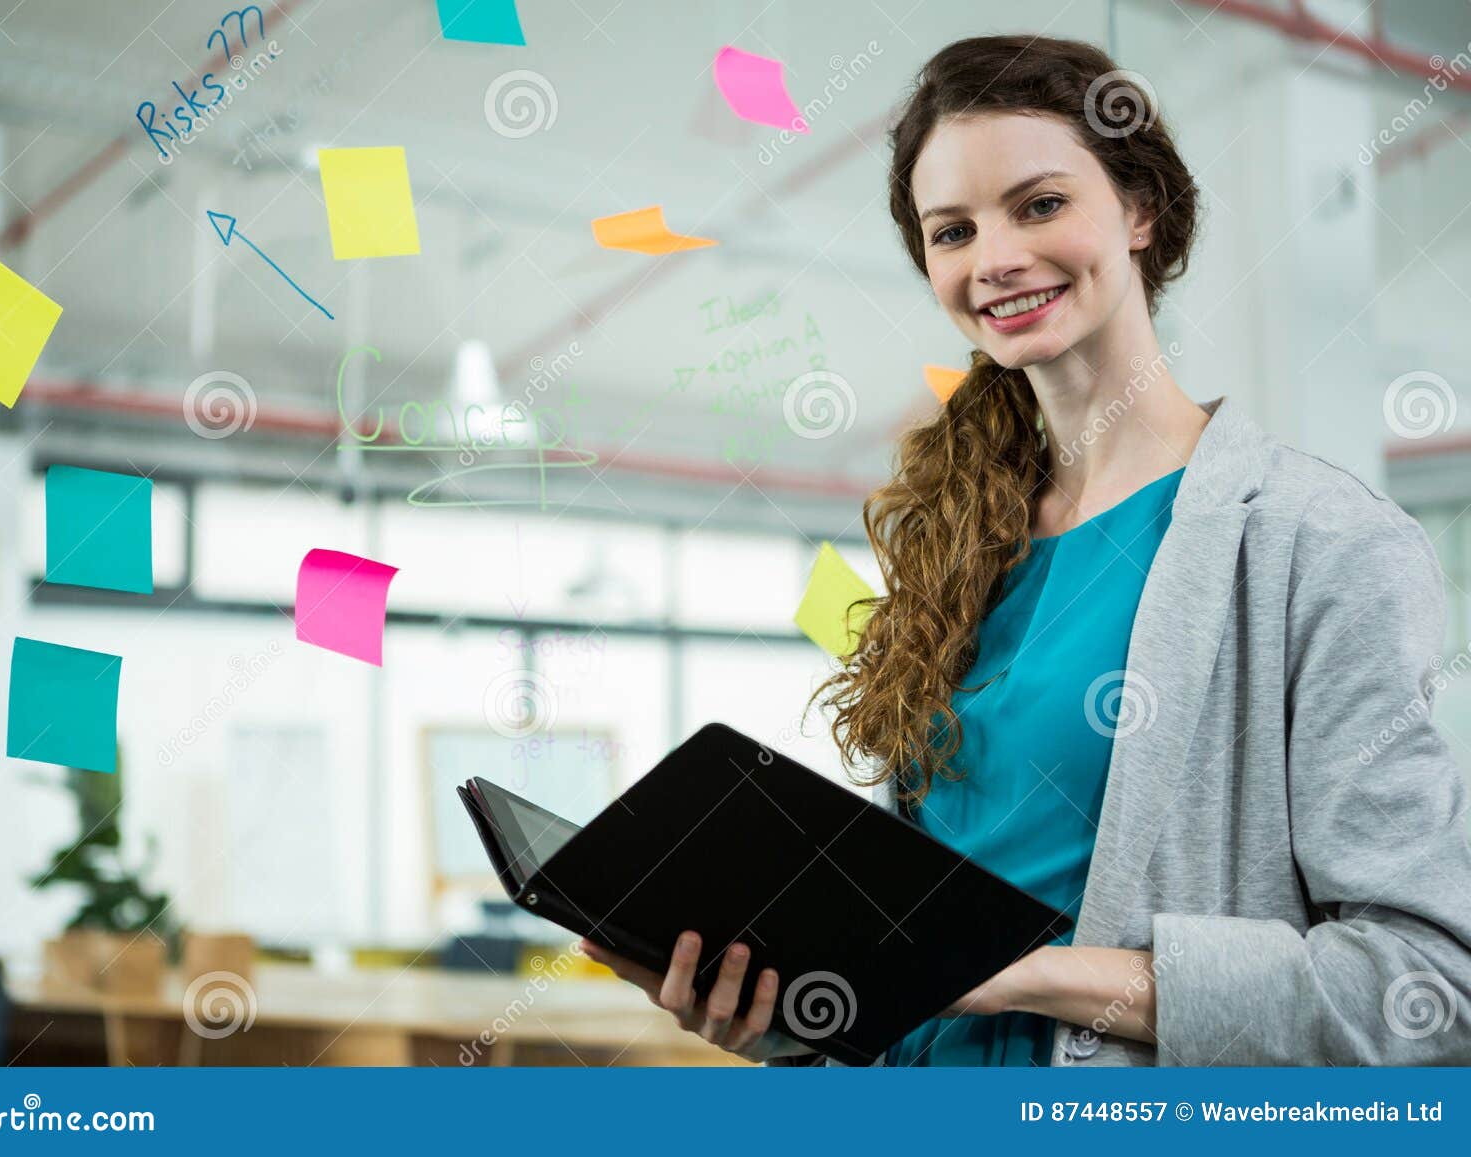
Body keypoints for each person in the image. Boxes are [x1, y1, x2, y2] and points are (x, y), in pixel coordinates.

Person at [581, 33, 1471, 1066]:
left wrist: (1013, 969)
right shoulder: (963, 543)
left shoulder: (1318, 542)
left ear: (1140, 211)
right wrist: (788, 1007)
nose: (993, 257)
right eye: (951, 229)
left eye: (1039, 204)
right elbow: (902, 948)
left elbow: (1427, 983)